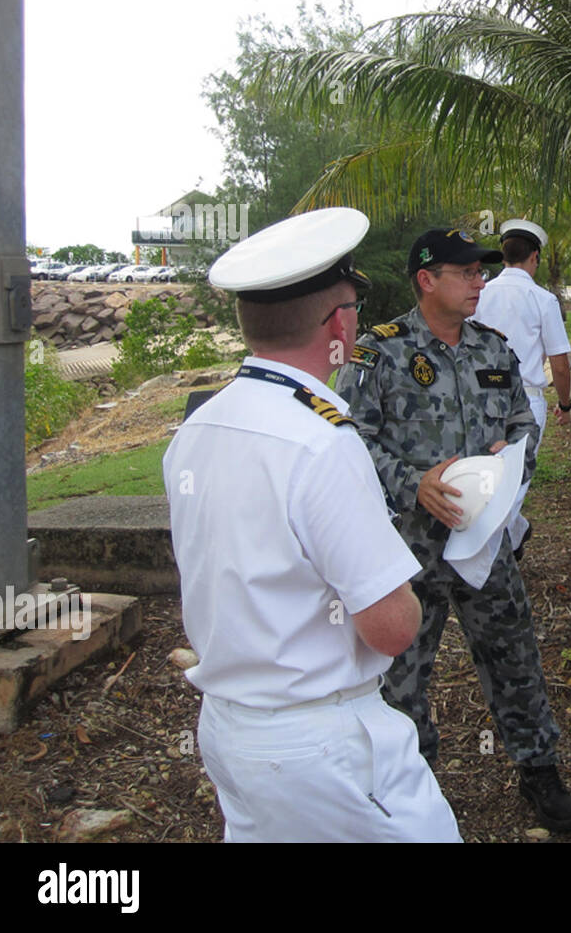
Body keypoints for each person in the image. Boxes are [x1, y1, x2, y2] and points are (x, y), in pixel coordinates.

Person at [163, 207, 461, 843]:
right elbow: (390, 629)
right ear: (339, 320)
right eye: (352, 302)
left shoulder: (198, 428)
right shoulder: (322, 441)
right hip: (321, 744)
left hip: (230, 727)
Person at [336, 227, 571, 833]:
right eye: (467, 272)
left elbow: (524, 418)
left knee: (514, 655)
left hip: (484, 546)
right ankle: (408, 781)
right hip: (409, 550)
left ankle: (538, 767)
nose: (480, 282)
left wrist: (511, 452)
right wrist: (412, 482)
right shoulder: (380, 353)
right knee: (402, 674)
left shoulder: (493, 349)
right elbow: (350, 441)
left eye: (481, 272)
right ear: (427, 279)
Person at [472, 218, 571, 557]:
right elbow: (559, 362)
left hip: (479, 399)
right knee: (513, 483)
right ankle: (494, 556)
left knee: (486, 478)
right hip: (524, 402)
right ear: (535, 257)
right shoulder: (542, 299)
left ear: (503, 256)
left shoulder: (480, 294)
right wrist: (566, 402)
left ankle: (511, 537)